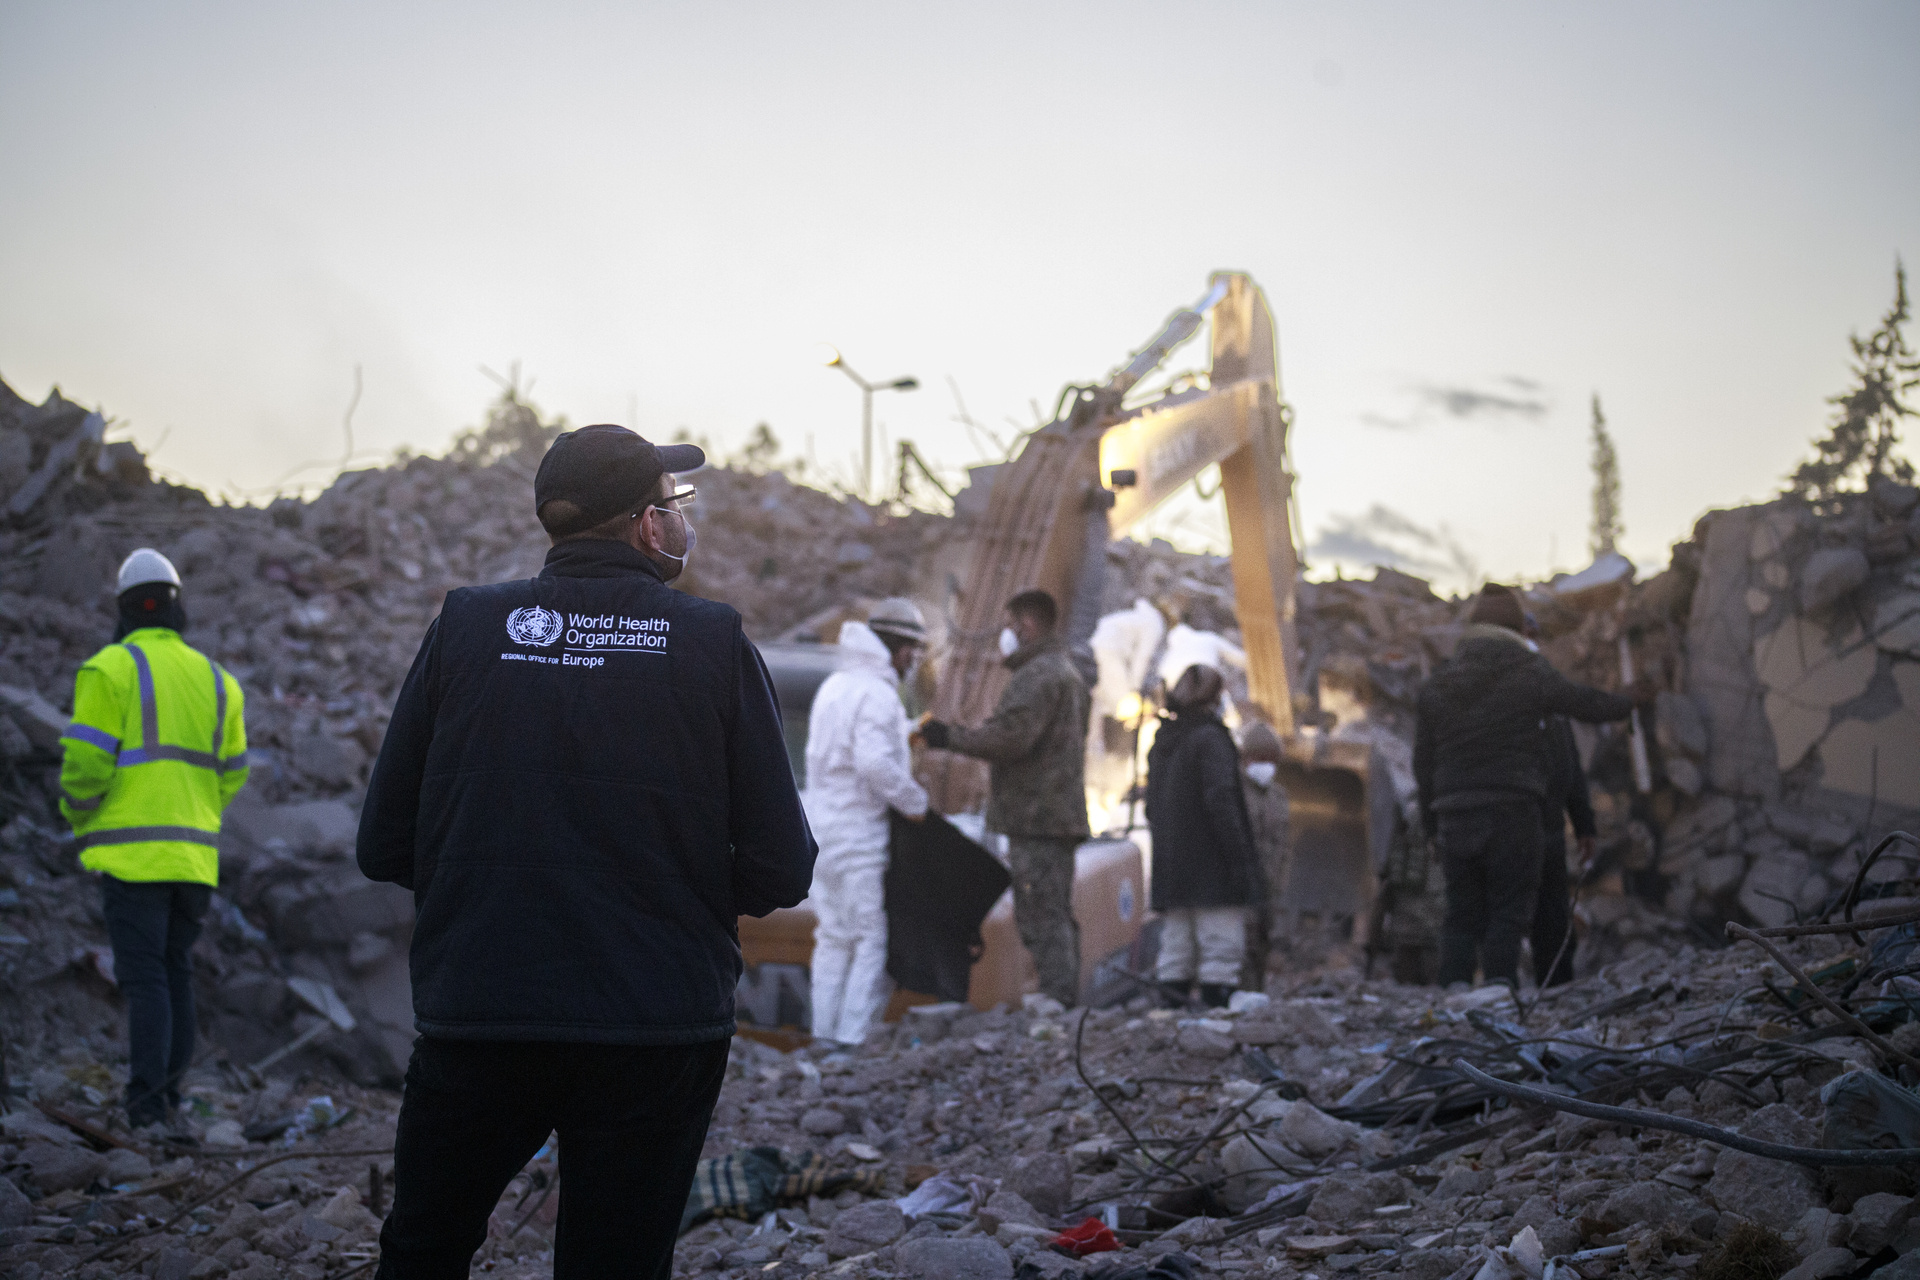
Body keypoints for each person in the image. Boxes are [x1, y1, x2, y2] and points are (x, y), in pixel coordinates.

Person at [357, 424, 815, 1280]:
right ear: (647, 527)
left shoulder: (465, 627)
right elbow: (781, 866)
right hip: (655, 1025)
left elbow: (384, 840)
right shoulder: (713, 642)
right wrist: (681, 900)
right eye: (674, 506)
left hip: (481, 1013)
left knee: (423, 1248)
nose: (682, 520)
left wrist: (487, 894)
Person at [59, 548, 249, 1131]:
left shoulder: (108, 669)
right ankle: (167, 1100)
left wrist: (79, 815)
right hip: (193, 859)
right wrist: (196, 815)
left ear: (123, 611)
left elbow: (86, 767)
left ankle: (144, 1107)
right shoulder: (219, 683)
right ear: (178, 609)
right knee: (176, 975)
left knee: (144, 982)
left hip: (132, 856)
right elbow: (234, 770)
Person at [1414, 584, 1639, 989]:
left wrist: (1432, 829)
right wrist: (1630, 703)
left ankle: (1454, 1000)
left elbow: (1422, 765)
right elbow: (1582, 704)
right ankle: (1498, 998)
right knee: (1507, 913)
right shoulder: (1529, 673)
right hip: (1512, 811)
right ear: (1518, 629)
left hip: (1454, 814)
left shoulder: (1438, 684)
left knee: (1461, 913)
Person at [921, 589, 1091, 1007]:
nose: (1005, 636)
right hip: (1052, 814)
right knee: (1052, 908)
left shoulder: (1038, 676)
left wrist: (949, 737)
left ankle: (1057, 1000)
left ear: (1027, 626)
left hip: (1037, 817)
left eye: (1010, 626)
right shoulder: (1065, 673)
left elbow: (1012, 738)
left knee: (1041, 910)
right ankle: (1061, 994)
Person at [802, 599, 930, 1047]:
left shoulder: (836, 685)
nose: (914, 659)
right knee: (871, 939)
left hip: (822, 833)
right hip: (859, 837)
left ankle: (824, 1038)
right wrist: (917, 802)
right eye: (912, 649)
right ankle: (852, 1041)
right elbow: (874, 763)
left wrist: (906, 730)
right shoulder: (877, 693)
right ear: (897, 648)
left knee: (834, 938)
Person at [1145, 665, 1261, 1008]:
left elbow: (1153, 807)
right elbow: (1221, 800)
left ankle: (1170, 1012)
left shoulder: (1163, 741)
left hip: (1172, 862)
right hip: (1213, 865)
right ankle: (1216, 1007)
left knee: (1176, 944)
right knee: (1220, 944)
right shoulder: (1211, 740)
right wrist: (1240, 860)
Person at [1519, 614, 1598, 988]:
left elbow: (1570, 767)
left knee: (1551, 916)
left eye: (1534, 636)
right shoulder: (1486, 698)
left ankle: (1555, 992)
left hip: (1545, 827)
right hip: (1508, 823)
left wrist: (1584, 825)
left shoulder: (1547, 694)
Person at [1238, 720, 1292, 985]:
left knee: (1262, 946)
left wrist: (1280, 883)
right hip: (1243, 887)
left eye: (1271, 759)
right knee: (1242, 950)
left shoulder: (1279, 796)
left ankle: (1256, 997)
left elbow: (1284, 845)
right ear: (1246, 758)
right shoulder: (1235, 794)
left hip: (1269, 889)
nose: (1265, 765)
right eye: (1259, 758)